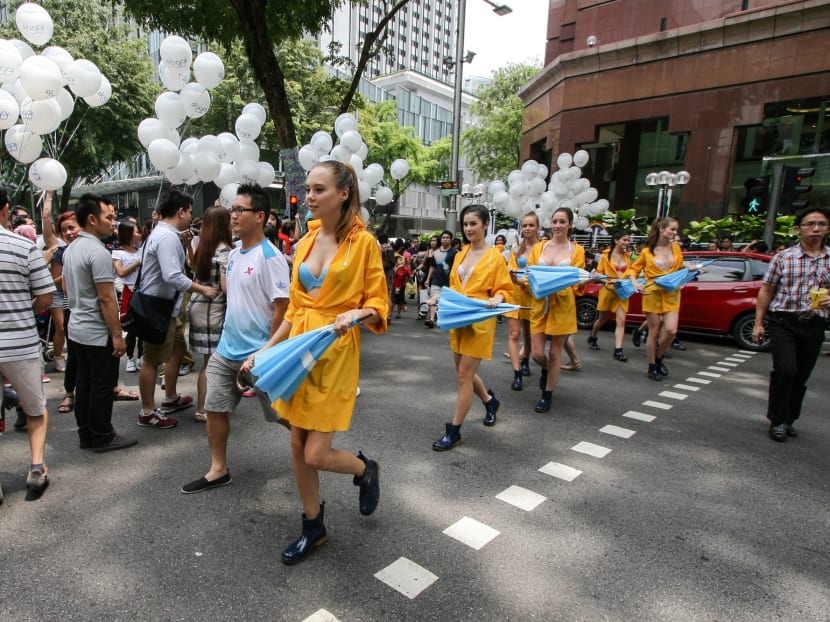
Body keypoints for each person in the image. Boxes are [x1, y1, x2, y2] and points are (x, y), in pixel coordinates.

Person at [250, 162, 387, 565]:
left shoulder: (364, 244)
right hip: (298, 348)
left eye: (318, 189)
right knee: (296, 442)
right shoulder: (306, 241)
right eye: (308, 189)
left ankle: (365, 468)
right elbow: (294, 307)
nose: (308, 196)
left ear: (344, 193)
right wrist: (266, 349)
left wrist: (356, 314)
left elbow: (379, 304)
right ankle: (313, 525)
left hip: (336, 350)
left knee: (315, 453)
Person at [181, 184, 290, 493]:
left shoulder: (271, 257)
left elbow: (283, 308)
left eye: (240, 210)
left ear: (260, 216)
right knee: (214, 408)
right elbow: (233, 296)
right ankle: (218, 469)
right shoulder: (235, 254)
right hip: (226, 351)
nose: (234, 215)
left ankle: (315, 449)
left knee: (283, 415)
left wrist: (267, 353)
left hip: (260, 355)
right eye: (232, 210)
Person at [432, 204, 513, 450]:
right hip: (459, 318)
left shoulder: (495, 256)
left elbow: (504, 288)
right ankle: (490, 401)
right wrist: (439, 299)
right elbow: (455, 287)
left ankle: (454, 431)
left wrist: (498, 297)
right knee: (464, 373)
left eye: (473, 223)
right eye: (465, 224)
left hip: (480, 320)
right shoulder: (460, 254)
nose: (468, 228)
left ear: (486, 225)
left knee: (462, 376)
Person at [136, 189, 218, 429]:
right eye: (190, 212)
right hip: (157, 308)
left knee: (176, 350)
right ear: (180, 211)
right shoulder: (167, 236)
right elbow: (172, 275)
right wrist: (202, 290)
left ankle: (170, 397)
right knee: (151, 359)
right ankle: (148, 411)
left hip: (165, 307)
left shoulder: (163, 233)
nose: (191, 217)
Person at [62, 194, 136, 453]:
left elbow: (65, 284)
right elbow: (106, 298)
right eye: (109, 217)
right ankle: (102, 435)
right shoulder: (97, 252)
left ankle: (87, 433)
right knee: (102, 385)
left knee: (84, 383)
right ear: (92, 220)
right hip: (95, 331)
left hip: (77, 329)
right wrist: (117, 336)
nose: (113, 223)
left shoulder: (71, 248)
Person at [753, 206, 829, 442]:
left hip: (815, 323)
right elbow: (767, 289)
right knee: (786, 369)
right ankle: (777, 420)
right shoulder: (784, 258)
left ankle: (789, 419)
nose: (815, 229)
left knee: (801, 375)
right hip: (784, 320)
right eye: (810, 224)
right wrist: (758, 323)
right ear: (799, 229)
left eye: (821, 224)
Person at [0, 186, 55, 498]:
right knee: (35, 409)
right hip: (20, 342)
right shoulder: (23, 246)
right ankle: (36, 467)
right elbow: (46, 295)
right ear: (6, 208)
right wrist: (25, 307)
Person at [529, 207, 587, 413]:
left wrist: (588, 278)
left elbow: (578, 283)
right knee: (537, 354)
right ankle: (546, 370)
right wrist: (516, 278)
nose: (557, 225)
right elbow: (530, 275)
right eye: (554, 221)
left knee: (555, 354)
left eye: (562, 221)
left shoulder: (577, 250)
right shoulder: (539, 248)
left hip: (563, 306)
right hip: (540, 305)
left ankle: (547, 394)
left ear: (569, 224)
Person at [187, 205, 232, 422]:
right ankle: (205, 409)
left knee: (207, 361)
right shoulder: (224, 250)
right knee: (212, 363)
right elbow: (226, 286)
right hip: (212, 308)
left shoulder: (203, 245)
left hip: (198, 304)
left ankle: (203, 407)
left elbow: (192, 268)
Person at [627, 217, 685, 381]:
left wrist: (690, 271)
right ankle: (652, 365)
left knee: (671, 330)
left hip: (672, 294)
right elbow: (633, 270)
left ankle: (659, 358)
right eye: (672, 229)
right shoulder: (647, 252)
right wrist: (636, 284)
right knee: (654, 331)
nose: (675, 233)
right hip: (652, 293)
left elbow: (680, 268)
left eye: (676, 230)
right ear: (662, 229)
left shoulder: (676, 249)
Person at [505, 212, 540, 390]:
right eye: (524, 225)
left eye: (531, 225)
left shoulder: (543, 249)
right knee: (514, 334)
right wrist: (514, 276)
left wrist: (522, 280)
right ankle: (517, 373)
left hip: (534, 296)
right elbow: (510, 268)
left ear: (538, 227)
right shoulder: (516, 250)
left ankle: (525, 359)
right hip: (514, 295)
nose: (527, 228)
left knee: (528, 334)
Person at [588, 231, 631, 361]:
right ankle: (593, 337)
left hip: (622, 292)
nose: (627, 243)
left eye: (628, 240)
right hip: (607, 291)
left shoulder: (629, 257)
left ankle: (618, 350)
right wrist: (608, 280)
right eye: (624, 239)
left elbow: (632, 273)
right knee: (602, 319)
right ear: (616, 241)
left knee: (621, 321)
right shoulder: (605, 256)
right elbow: (599, 274)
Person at [113, 222, 143, 372]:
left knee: (144, 326)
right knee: (131, 327)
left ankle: (141, 356)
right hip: (129, 291)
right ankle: (130, 357)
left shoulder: (140, 250)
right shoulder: (117, 252)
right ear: (128, 233)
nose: (139, 234)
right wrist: (138, 263)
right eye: (136, 231)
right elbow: (121, 272)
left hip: (143, 291)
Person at [423, 231, 457, 328]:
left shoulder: (455, 253)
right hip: (436, 279)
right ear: (441, 240)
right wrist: (428, 278)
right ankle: (432, 319)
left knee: (445, 300)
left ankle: (444, 318)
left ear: (450, 239)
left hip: (449, 281)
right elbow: (432, 266)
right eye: (443, 238)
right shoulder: (436, 252)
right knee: (433, 298)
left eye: (447, 238)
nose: (445, 239)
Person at [391, 254, 412, 319]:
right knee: (393, 300)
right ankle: (389, 313)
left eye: (403, 260)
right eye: (400, 260)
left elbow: (409, 275)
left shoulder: (406, 267)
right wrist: (397, 267)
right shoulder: (395, 267)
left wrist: (410, 279)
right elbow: (393, 274)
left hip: (402, 286)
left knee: (400, 300)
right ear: (396, 261)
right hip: (395, 286)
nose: (402, 261)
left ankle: (398, 313)